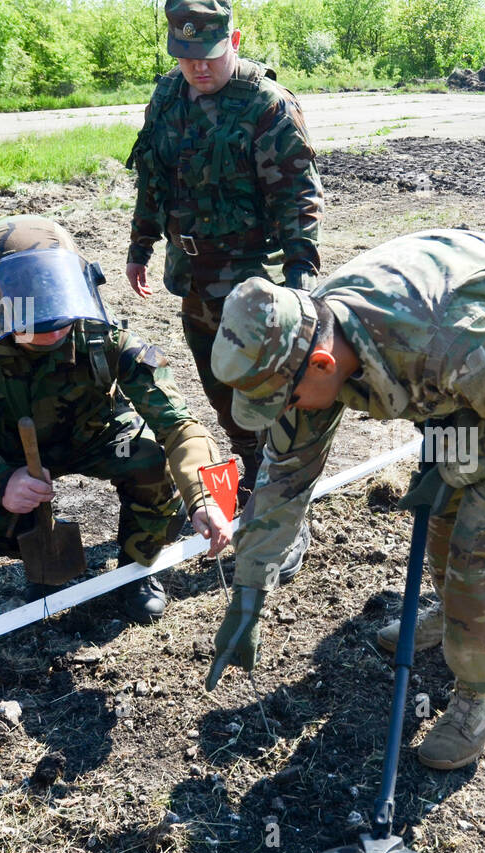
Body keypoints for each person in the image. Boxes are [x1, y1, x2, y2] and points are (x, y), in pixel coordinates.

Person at [207, 229, 485, 770]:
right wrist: (249, 589)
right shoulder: (311, 338)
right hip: (469, 394)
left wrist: (468, 466)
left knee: (483, 549)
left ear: (323, 365)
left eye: (284, 399)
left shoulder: (443, 341)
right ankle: (457, 615)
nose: (286, 411)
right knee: (445, 518)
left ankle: (479, 689)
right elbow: (286, 473)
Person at [0, 216, 233, 624]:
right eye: (26, 302)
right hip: (7, 452)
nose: (50, 325)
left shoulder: (104, 335)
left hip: (95, 434)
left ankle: (137, 566)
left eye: (53, 293)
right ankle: (37, 547)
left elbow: (180, 425)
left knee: (152, 460)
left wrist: (203, 498)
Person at [126, 0, 323, 512]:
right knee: (218, 385)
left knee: (269, 387)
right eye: (186, 56)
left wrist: (301, 273)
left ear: (234, 43)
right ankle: (252, 466)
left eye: (209, 55)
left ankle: (283, 486)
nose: (198, 67)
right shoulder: (168, 96)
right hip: (192, 275)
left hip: (254, 280)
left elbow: (298, 196)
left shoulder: (267, 105)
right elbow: (152, 174)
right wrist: (140, 243)